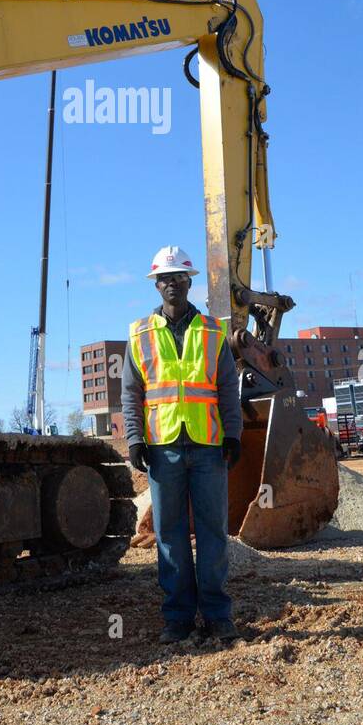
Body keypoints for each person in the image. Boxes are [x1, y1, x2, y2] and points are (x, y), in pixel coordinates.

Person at [121, 245, 242, 644]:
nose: (172, 283)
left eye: (178, 277)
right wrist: (135, 438)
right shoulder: (139, 334)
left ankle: (217, 615)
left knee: (212, 532)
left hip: (208, 446)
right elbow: (131, 392)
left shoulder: (211, 331)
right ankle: (177, 618)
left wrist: (233, 433)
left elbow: (227, 387)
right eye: (164, 278)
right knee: (169, 536)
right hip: (163, 448)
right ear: (155, 285)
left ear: (190, 281)